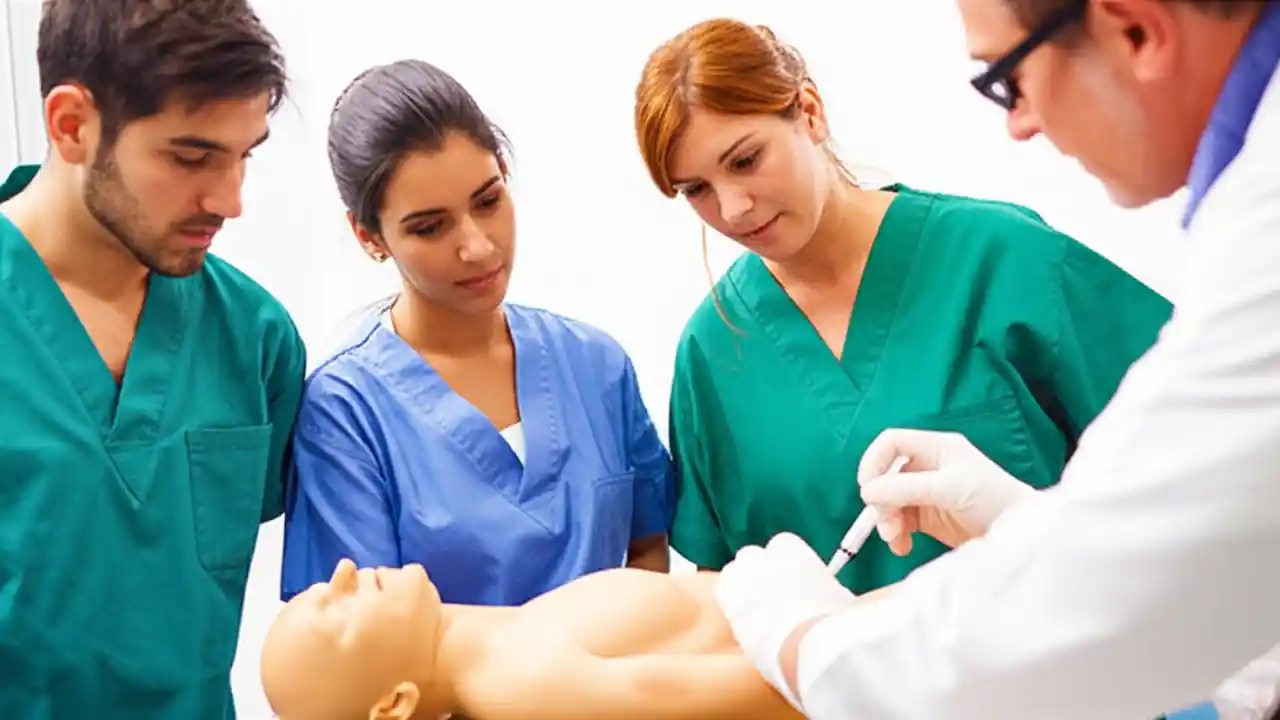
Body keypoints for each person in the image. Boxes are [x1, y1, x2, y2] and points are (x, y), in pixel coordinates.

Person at [711, 1, 1280, 718]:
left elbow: (1129, 605)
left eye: (1008, 79)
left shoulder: (1261, 238)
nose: (1020, 122)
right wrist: (1023, 521)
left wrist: (807, 641)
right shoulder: (715, 340)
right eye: (694, 187)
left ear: (1136, 29)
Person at [632, 17, 1172, 594]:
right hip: (834, 684)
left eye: (745, 161)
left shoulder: (1003, 259)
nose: (733, 208)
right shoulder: (715, 348)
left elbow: (1192, 452)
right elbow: (720, 582)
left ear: (809, 112)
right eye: (696, 190)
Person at [0, 0, 304, 717]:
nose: (230, 201)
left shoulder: (256, 338)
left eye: (245, 155)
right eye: (192, 156)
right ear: (72, 124)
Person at [279, 59, 675, 608]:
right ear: (368, 235)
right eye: (429, 227)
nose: (479, 247)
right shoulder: (346, 411)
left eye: (488, 202)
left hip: (624, 693)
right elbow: (358, 637)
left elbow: (648, 550)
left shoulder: (597, 366)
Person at [262, 548, 846, 720]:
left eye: (322, 586)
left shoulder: (510, 640)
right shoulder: (527, 686)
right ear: (393, 705)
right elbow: (791, 684)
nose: (343, 573)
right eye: (334, 612)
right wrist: (913, 633)